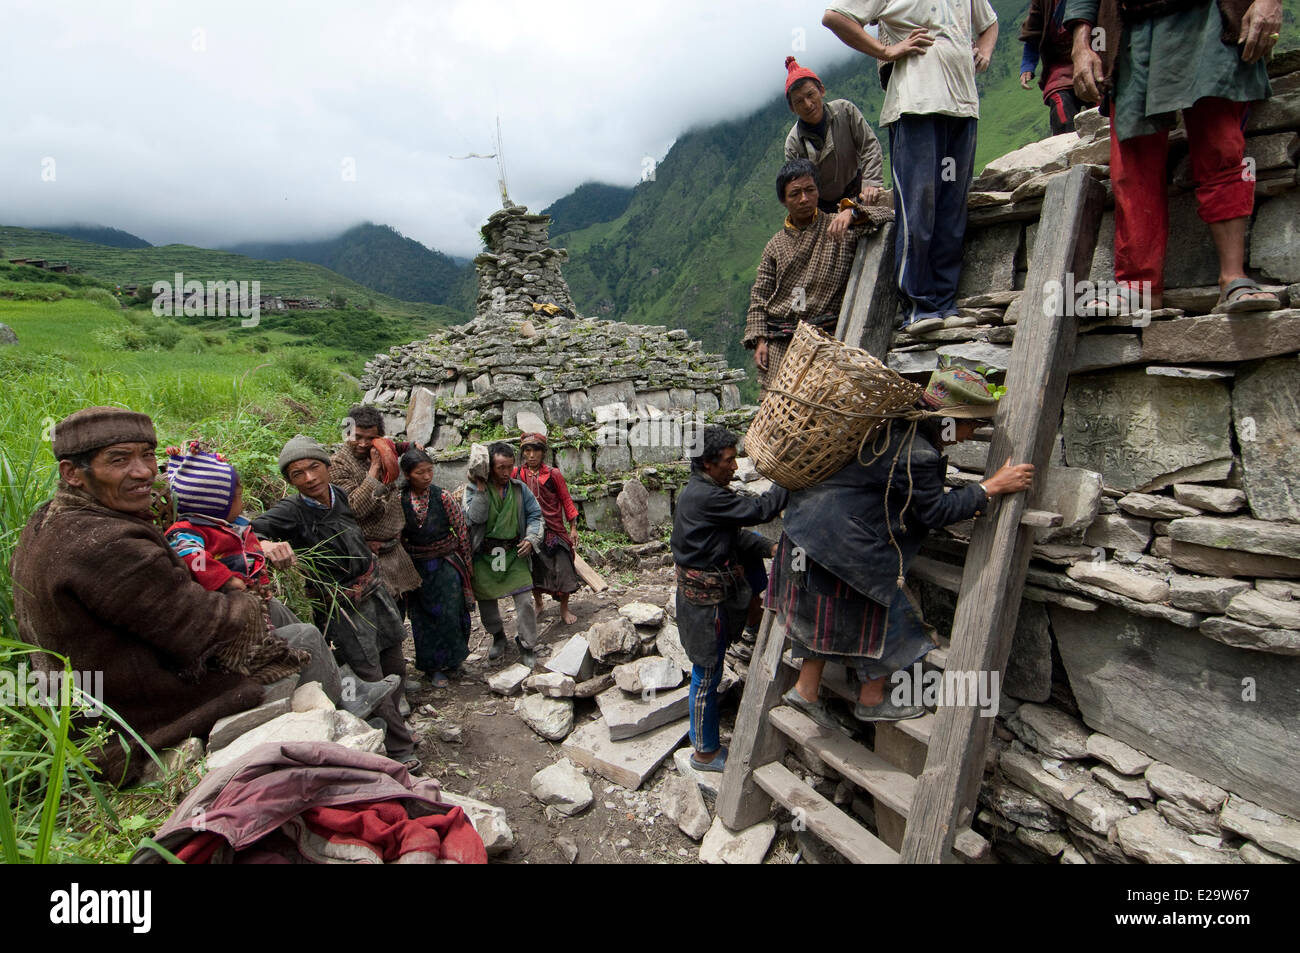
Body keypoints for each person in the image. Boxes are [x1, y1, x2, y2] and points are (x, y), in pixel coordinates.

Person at [9, 407, 310, 787]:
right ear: (72, 473)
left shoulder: (47, 520)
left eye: (147, 455)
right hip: (132, 719)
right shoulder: (105, 544)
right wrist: (248, 596)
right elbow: (203, 628)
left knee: (280, 622)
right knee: (302, 639)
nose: (144, 471)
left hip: (93, 698)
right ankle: (347, 756)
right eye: (119, 460)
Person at [772, 366, 1034, 725]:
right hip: (842, 548)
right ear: (948, 421)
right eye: (971, 425)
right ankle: (872, 699)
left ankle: (806, 689)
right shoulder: (919, 453)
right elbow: (934, 512)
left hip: (806, 532)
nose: (972, 434)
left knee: (822, 612)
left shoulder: (886, 426)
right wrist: (990, 488)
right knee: (889, 620)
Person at [1068, 0, 1281, 314]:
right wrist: (1081, 42)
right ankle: (1137, 287)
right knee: (1132, 161)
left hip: (1212, 17)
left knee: (1221, 144)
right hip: (1130, 27)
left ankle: (1234, 277)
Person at [162, 439, 397, 719]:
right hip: (240, 612)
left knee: (311, 636)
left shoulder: (231, 525)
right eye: (237, 494)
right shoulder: (189, 532)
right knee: (310, 637)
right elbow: (192, 558)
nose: (243, 499)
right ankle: (348, 700)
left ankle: (355, 691)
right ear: (216, 502)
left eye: (315, 467)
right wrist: (226, 579)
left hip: (266, 601)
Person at [823, 0, 999, 333]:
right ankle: (918, 305)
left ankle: (946, 303)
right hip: (915, 106)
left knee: (952, 208)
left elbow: (989, 23)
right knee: (919, 206)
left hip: (962, 105)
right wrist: (886, 51)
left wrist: (985, 52)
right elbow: (836, 17)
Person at [251, 434, 420, 771]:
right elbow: (246, 532)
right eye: (298, 474)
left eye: (314, 467)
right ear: (290, 481)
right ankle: (400, 748)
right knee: (369, 674)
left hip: (373, 589)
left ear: (326, 467)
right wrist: (265, 547)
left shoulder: (338, 495)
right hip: (341, 604)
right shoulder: (292, 511)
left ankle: (387, 727)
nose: (309, 478)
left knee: (395, 661)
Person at [670, 426, 788, 773]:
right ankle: (704, 752)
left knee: (708, 669)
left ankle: (751, 621)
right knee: (706, 674)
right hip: (703, 604)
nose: (734, 467)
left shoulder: (703, 490)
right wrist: (790, 479)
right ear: (708, 463)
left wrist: (769, 547)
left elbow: (734, 537)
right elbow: (760, 510)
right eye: (728, 460)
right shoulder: (707, 496)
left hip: (707, 596)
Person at [744, 157, 882, 393]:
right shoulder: (775, 246)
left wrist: (851, 212)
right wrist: (760, 340)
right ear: (783, 201)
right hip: (782, 343)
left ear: (819, 192)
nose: (804, 199)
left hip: (826, 339)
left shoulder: (839, 226)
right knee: (780, 409)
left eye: (810, 190)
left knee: (823, 406)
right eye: (795, 194)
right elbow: (760, 297)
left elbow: (884, 216)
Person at [782, 56, 886, 236]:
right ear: (792, 108)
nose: (808, 104)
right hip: (821, 209)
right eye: (799, 101)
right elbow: (799, 187)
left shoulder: (845, 111)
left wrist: (871, 184)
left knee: (881, 223)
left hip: (858, 192)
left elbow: (869, 146)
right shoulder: (793, 144)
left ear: (821, 90)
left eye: (810, 94)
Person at [464, 442, 544, 668]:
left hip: (513, 554)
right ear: (489, 467)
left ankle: (527, 644)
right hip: (485, 556)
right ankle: (498, 636)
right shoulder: (472, 490)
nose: (506, 473)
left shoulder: (520, 490)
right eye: (500, 467)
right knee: (487, 604)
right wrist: (480, 487)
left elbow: (536, 516)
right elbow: (474, 519)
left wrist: (530, 539)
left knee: (525, 602)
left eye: (510, 467)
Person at [329, 405, 421, 601]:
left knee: (399, 609)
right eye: (357, 437)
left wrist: (411, 446)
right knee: (381, 614)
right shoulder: (338, 464)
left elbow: (396, 446)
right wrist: (375, 468)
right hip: (370, 556)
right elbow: (355, 507)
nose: (363, 444)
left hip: (395, 550)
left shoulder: (380, 449)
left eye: (370, 438)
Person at [398, 448, 474, 688]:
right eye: (420, 472)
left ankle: (455, 661)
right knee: (423, 617)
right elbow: (398, 535)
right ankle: (433, 667)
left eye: (430, 471)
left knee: (452, 612)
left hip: (445, 564)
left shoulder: (443, 498)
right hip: (417, 567)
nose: (427, 476)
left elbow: (461, 529)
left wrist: (467, 565)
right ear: (408, 474)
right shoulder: (400, 501)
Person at [513, 432, 582, 625]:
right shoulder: (517, 474)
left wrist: (573, 527)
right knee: (534, 570)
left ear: (543, 453)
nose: (531, 455)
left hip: (554, 530)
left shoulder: (553, 474)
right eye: (527, 450)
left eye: (536, 450)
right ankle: (539, 603)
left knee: (563, 567)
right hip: (530, 531)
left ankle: (564, 608)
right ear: (523, 453)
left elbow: (566, 500)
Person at [1019, 0, 1095, 134]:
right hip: (1060, 72)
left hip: (1093, 65)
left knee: (1102, 113)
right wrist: (1027, 65)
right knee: (1062, 114)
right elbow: (1033, 34)